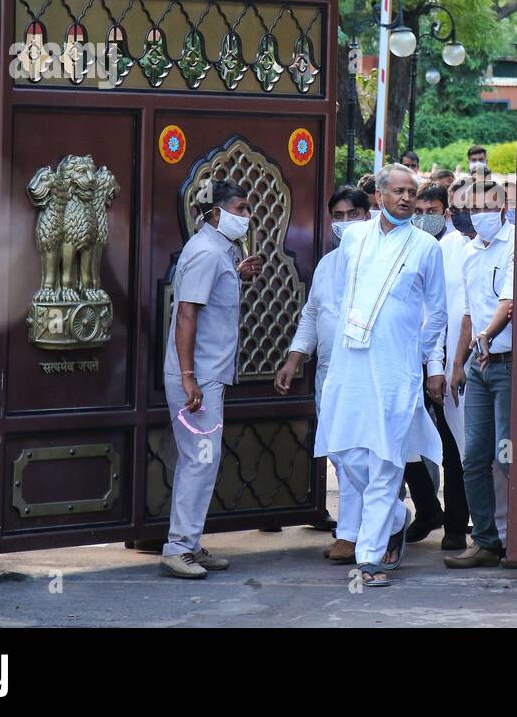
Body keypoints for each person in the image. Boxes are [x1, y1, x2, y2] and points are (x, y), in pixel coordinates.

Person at [316, 164, 447, 587]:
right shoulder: (353, 237)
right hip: (351, 362)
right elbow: (337, 296)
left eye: (413, 192)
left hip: (396, 368)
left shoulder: (426, 246)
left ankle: (369, 559)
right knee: (346, 451)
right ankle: (393, 515)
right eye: (399, 191)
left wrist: (430, 364)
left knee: (386, 460)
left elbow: (438, 312)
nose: (407, 198)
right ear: (379, 197)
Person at [161, 179, 264, 579]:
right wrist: (189, 377)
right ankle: (178, 546)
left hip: (207, 373)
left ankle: (189, 541)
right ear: (217, 213)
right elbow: (187, 313)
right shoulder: (206, 252)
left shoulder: (220, 252)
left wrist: (236, 274)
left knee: (204, 458)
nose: (246, 216)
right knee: (200, 459)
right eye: (240, 208)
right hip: (198, 376)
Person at [274, 186, 370, 563]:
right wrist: (294, 359)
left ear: (368, 214)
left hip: (367, 370)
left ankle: (363, 530)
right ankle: (370, 524)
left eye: (352, 215)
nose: (345, 223)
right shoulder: (328, 265)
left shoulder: (382, 260)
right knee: (339, 451)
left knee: (365, 452)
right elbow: (312, 315)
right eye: (339, 216)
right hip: (329, 372)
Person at [445, 178, 515, 569]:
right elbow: (470, 313)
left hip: (506, 364)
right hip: (479, 364)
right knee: (473, 457)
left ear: (503, 210)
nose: (479, 215)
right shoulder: (469, 252)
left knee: (507, 457)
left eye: (487, 208)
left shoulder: (516, 245)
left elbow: (508, 303)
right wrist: (458, 363)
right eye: (473, 208)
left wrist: (487, 338)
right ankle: (486, 540)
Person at [403, 183, 472, 550]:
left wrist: (440, 364)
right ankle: (428, 509)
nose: (424, 217)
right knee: (407, 441)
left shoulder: (461, 247)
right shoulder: (410, 243)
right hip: (409, 356)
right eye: (420, 210)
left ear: (446, 212)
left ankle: (457, 526)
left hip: (448, 360)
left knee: (453, 447)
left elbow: (448, 310)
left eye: (433, 210)